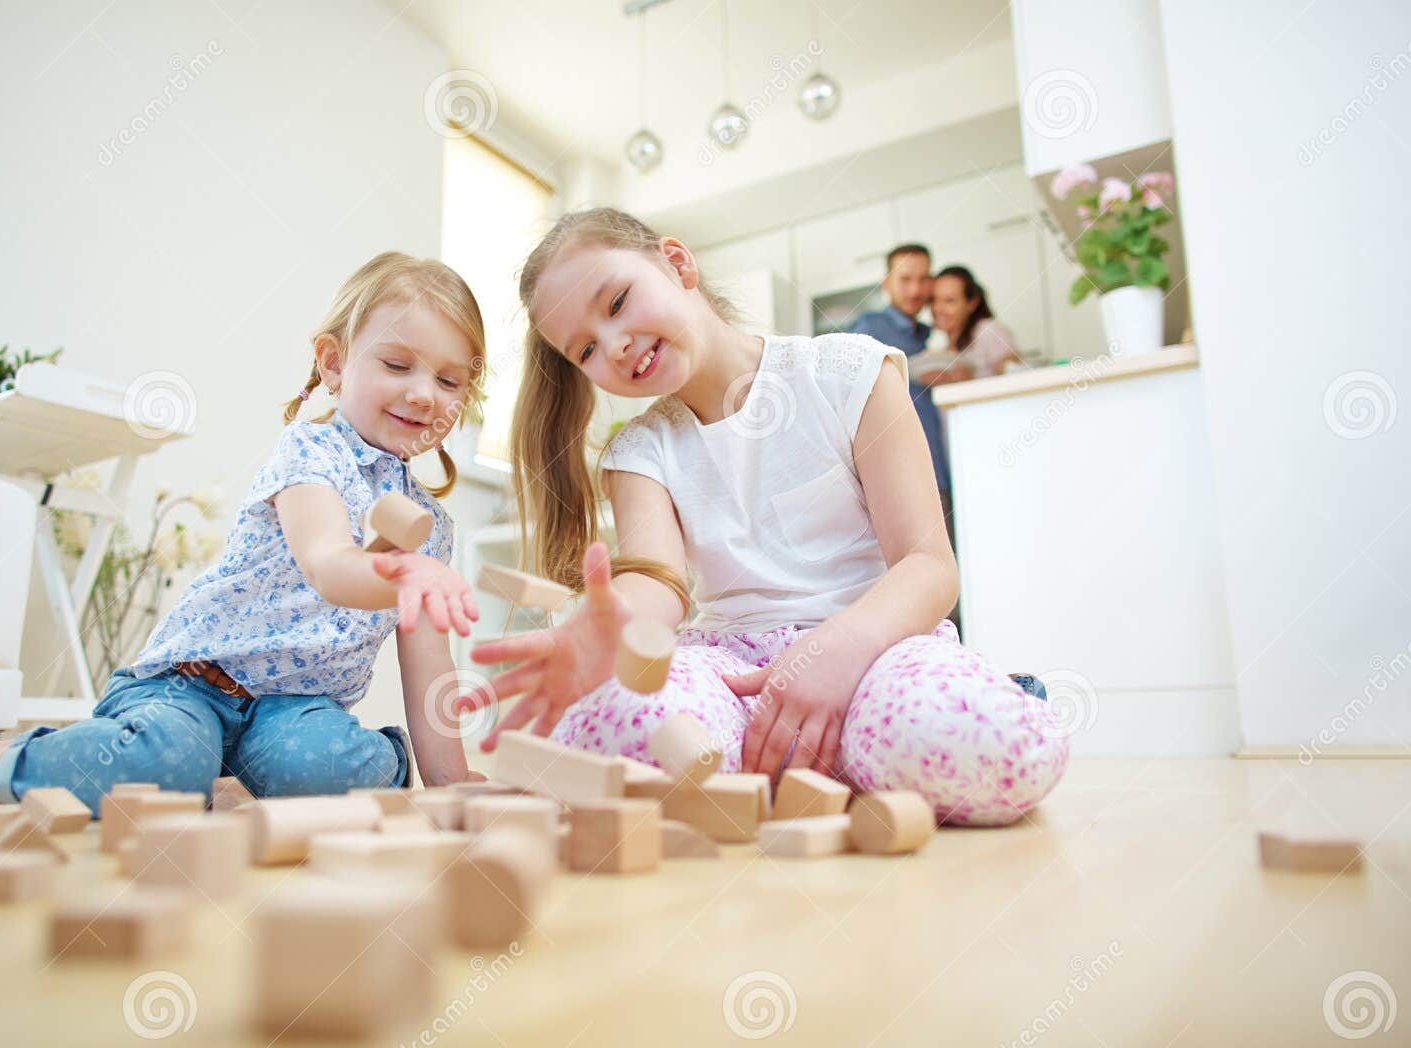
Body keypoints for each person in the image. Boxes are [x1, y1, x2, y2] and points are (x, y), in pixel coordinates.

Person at [456, 209, 1067, 826]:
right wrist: (606, 628)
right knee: (614, 738)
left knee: (1000, 750)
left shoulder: (849, 372)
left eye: (617, 302)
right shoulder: (640, 451)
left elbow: (928, 565)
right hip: (736, 677)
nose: (614, 345)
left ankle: (950, 715)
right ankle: (832, 771)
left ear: (677, 264)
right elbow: (657, 586)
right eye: (586, 349)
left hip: (872, 651)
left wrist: (834, 652)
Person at [0, 253, 486, 813]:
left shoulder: (432, 530)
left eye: (449, 381)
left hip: (295, 714)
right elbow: (328, 565)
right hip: (191, 685)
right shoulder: (312, 453)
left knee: (324, 769)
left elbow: (428, 664)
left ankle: (251, 772)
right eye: (397, 365)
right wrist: (402, 572)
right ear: (333, 363)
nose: (422, 394)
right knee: (165, 760)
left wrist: (450, 781)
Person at [848, 244, 949, 501]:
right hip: (901, 477)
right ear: (886, 283)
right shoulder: (870, 327)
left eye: (923, 279)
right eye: (905, 279)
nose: (915, 290)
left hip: (941, 467)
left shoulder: (931, 334)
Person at [925, 264, 1022, 381]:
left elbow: (1017, 379)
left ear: (972, 303)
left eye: (949, 301)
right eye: (933, 300)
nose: (938, 309)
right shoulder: (945, 345)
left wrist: (970, 379)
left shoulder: (987, 331)